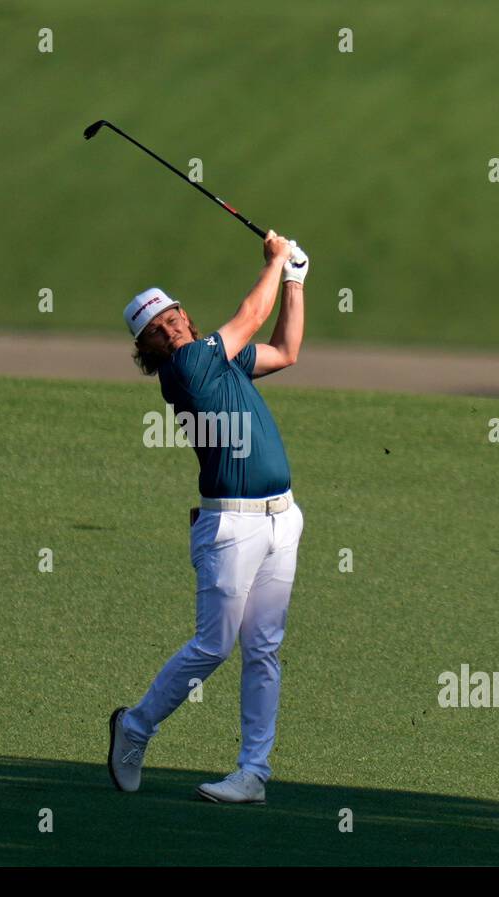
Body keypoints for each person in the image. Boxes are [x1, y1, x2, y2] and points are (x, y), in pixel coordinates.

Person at [108, 230, 309, 804]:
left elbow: (287, 349)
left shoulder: (221, 361)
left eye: (172, 317)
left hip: (281, 518)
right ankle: (136, 727)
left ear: (185, 315)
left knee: (265, 647)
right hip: (230, 527)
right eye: (156, 330)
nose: (170, 328)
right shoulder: (187, 369)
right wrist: (275, 261)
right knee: (215, 645)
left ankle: (253, 773)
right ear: (149, 350)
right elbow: (251, 313)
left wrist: (294, 278)